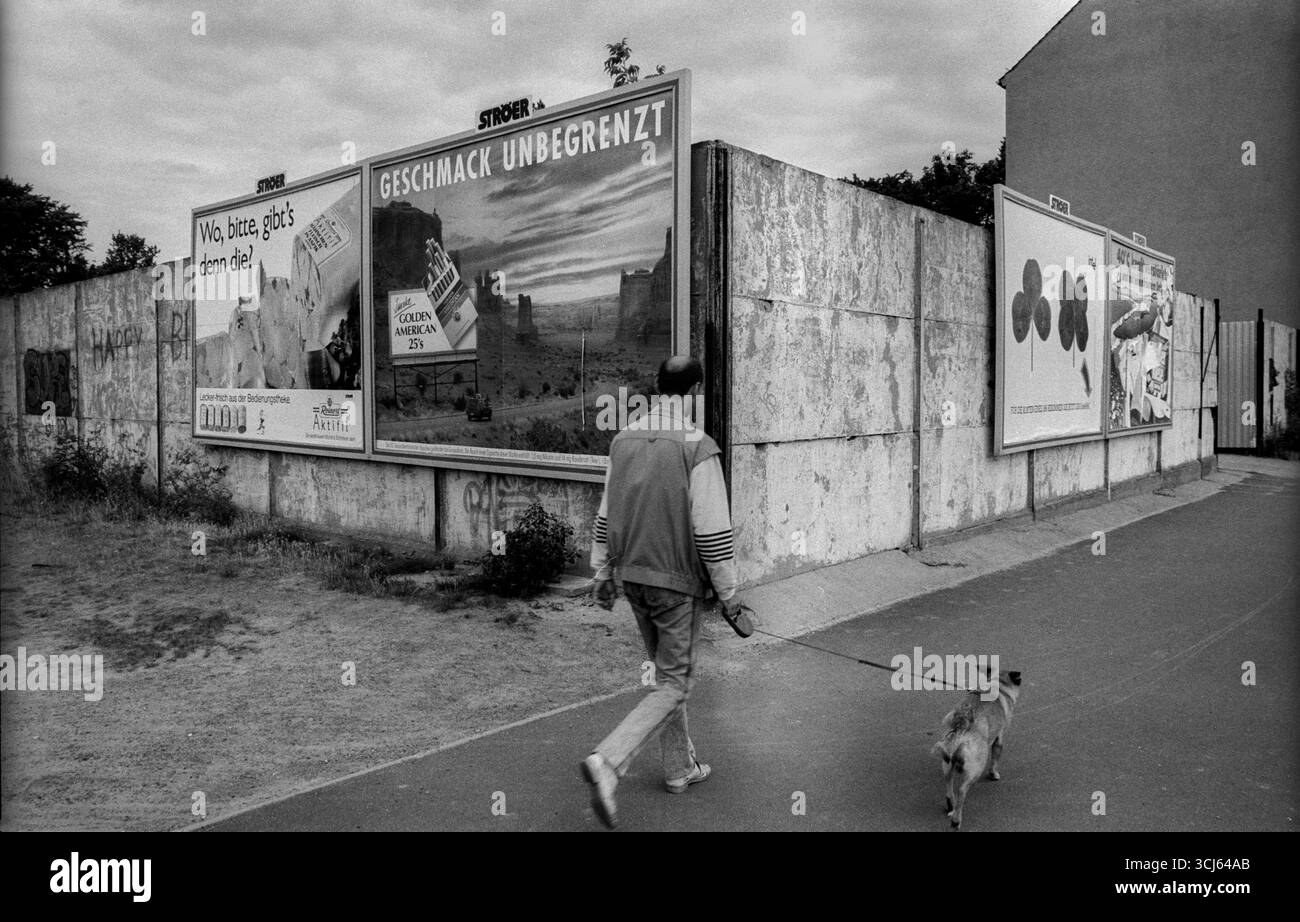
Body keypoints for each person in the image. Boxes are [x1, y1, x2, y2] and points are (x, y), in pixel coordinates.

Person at [579, 355, 743, 829]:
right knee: (676, 681)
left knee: (667, 679)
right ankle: (607, 762)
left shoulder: (623, 440)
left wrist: (601, 569)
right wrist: (729, 593)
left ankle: (679, 769)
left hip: (633, 579)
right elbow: (712, 532)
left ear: (657, 387)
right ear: (693, 393)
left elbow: (607, 512)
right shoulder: (698, 445)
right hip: (676, 585)